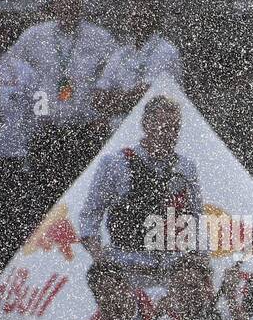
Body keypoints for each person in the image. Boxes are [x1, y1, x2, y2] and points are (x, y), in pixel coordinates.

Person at [4, 0, 116, 223]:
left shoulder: (99, 38)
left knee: (81, 191)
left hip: (83, 130)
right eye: (63, 1)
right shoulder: (35, 36)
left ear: (81, 5)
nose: (68, 6)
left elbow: (112, 77)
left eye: (74, 1)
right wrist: (32, 108)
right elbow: (11, 68)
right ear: (54, 4)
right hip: (46, 130)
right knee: (45, 194)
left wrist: (103, 113)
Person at [78, 94, 205, 288]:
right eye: (163, 127)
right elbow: (90, 215)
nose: (168, 135)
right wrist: (99, 257)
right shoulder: (116, 163)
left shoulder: (185, 168)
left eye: (174, 129)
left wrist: (196, 261)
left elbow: (196, 219)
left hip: (170, 275)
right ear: (147, 125)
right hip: (128, 272)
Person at [94, 2, 183, 131]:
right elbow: (98, 97)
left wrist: (114, 99)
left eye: (144, 15)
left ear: (155, 18)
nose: (139, 20)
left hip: (155, 131)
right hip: (118, 129)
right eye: (135, 15)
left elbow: (146, 97)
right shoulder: (122, 53)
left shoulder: (166, 51)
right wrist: (126, 98)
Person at [0, 54, 34, 277]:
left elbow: (37, 111)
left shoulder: (22, 71)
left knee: (10, 222)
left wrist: (27, 142)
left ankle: (7, 274)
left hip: (13, 158)